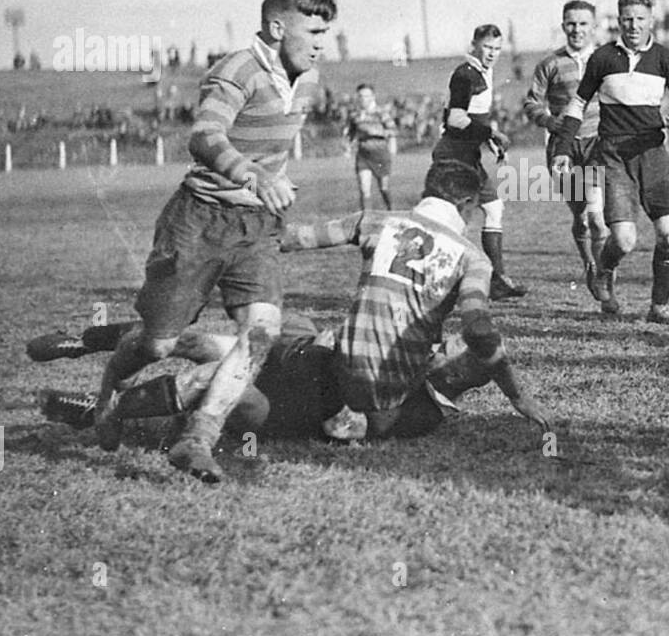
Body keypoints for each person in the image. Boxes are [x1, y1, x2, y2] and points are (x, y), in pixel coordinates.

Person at [33, 162, 547, 463]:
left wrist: (249, 213)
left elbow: (293, 239)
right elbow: (477, 329)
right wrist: (519, 397)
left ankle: (98, 369)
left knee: (220, 360)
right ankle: (104, 382)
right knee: (227, 356)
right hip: (311, 362)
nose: (451, 347)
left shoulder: (378, 220)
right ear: (470, 210)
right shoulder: (467, 262)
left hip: (306, 375)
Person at [89, 0, 334, 481]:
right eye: (313, 31)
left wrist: (274, 180)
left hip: (256, 226)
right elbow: (203, 136)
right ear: (276, 26)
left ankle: (198, 436)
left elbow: (272, 148)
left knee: (261, 331)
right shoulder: (236, 69)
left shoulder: (307, 80)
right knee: (157, 344)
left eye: (325, 33)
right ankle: (108, 390)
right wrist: (254, 175)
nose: (320, 43)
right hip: (198, 221)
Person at [551, 0, 669, 324]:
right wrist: (563, 149)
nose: (633, 26)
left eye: (640, 19)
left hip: (653, 155)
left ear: (651, 21)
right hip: (615, 157)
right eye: (627, 19)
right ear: (618, 21)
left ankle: (659, 306)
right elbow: (577, 105)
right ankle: (603, 270)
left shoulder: (665, 58)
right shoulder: (603, 58)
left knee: (668, 234)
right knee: (623, 240)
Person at [428, 25, 526, 300]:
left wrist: (490, 141)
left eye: (497, 49)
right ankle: (437, 281)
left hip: (467, 155)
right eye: (487, 48)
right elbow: (455, 119)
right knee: (453, 221)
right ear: (474, 45)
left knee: (493, 208)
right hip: (454, 155)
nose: (493, 53)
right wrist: (492, 133)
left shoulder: (483, 72)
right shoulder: (464, 74)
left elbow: (476, 117)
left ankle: (497, 279)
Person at [522, 0, 608, 298]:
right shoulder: (550, 64)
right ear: (563, 26)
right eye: (571, 23)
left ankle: (604, 281)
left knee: (598, 219)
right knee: (581, 216)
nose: (577, 30)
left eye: (583, 23)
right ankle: (589, 265)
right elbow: (531, 103)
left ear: (593, 27)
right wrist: (550, 121)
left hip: (598, 145)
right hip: (564, 148)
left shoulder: (606, 59)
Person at [346, 83, 397, 211]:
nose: (363, 99)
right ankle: (366, 221)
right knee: (364, 189)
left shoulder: (381, 113)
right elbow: (351, 133)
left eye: (366, 96)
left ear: (373, 97)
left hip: (380, 155)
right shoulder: (354, 115)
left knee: (384, 188)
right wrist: (348, 144)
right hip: (363, 156)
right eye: (361, 96)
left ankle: (391, 211)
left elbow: (393, 130)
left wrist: (377, 132)